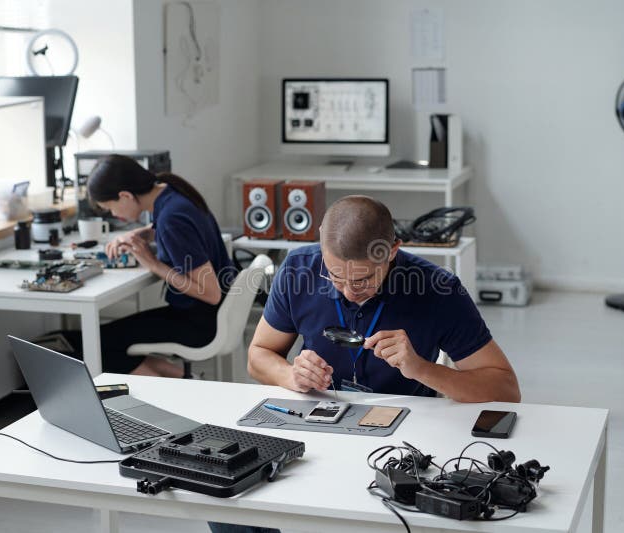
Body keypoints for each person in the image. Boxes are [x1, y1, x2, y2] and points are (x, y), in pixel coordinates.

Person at [209, 196, 519, 533]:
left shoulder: (438, 289)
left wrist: (421, 369)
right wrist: (291, 375)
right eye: (335, 278)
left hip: (405, 435)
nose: (348, 291)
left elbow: (504, 387)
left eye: (362, 280)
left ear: (393, 250)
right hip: (321, 421)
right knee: (231, 508)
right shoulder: (299, 269)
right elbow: (258, 356)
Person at [82, 154, 236, 377]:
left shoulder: (172, 219)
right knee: (112, 337)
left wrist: (154, 264)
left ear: (125, 195)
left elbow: (210, 292)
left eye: (110, 208)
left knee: (100, 343)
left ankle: (171, 395)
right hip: (210, 315)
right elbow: (175, 230)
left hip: (199, 322)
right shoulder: (173, 192)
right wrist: (140, 234)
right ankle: (185, 381)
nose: (113, 215)